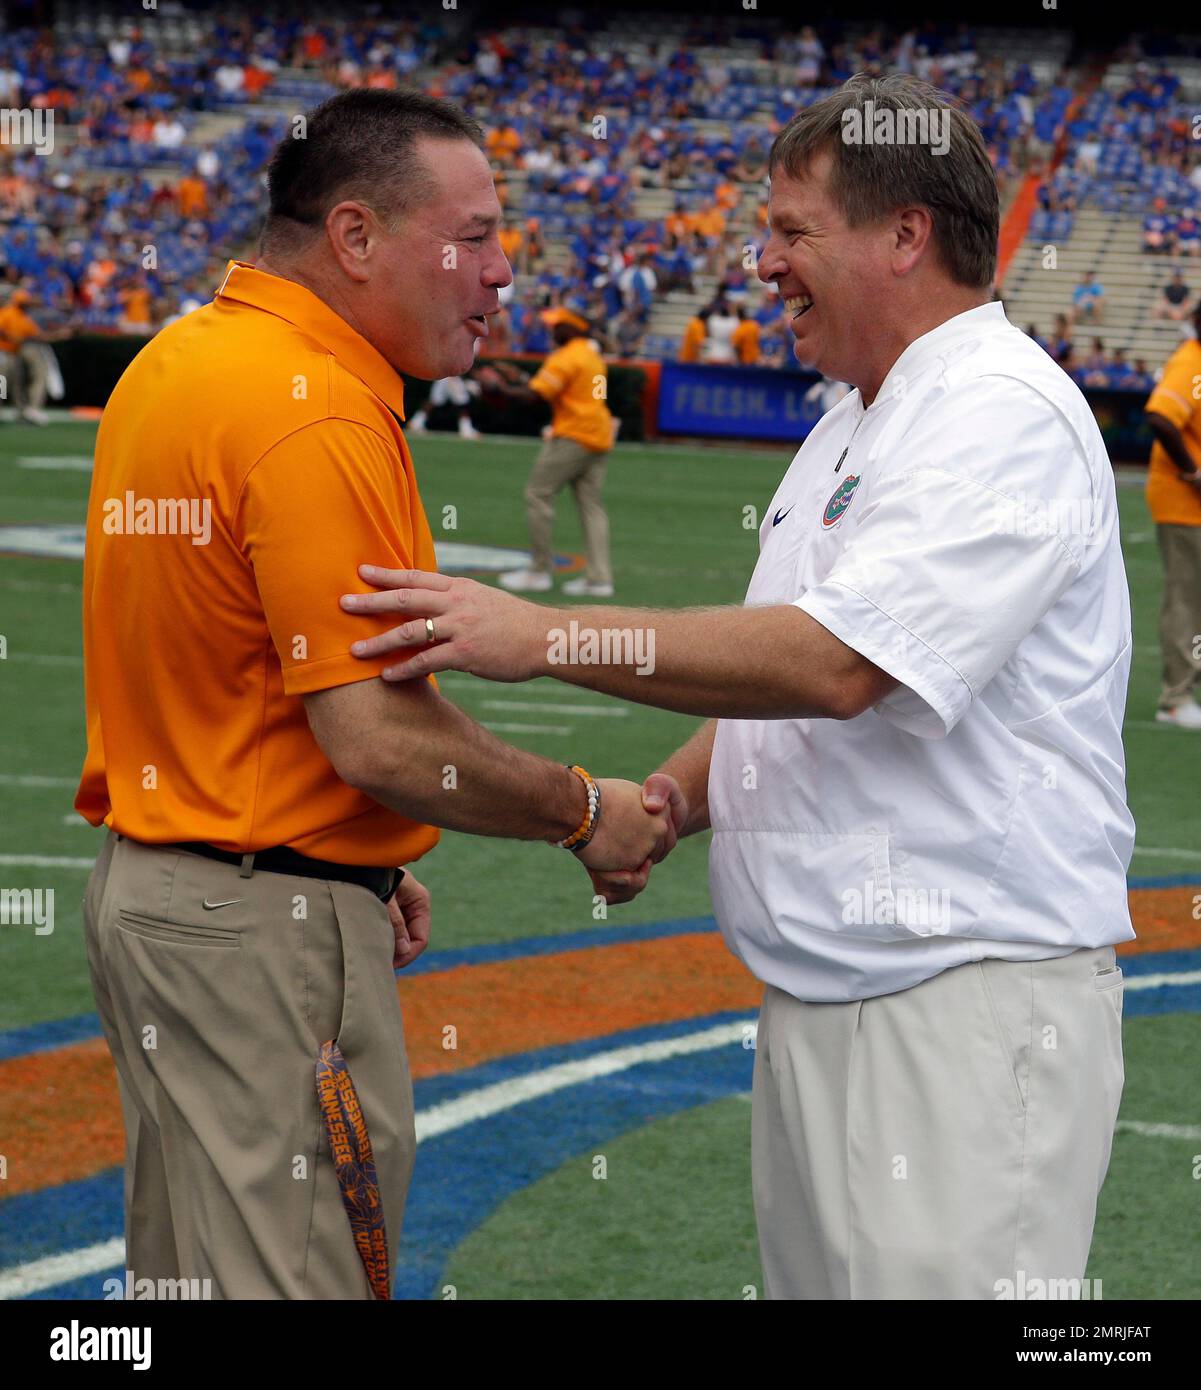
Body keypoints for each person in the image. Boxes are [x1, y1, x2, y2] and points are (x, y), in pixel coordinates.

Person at [343, 74, 1135, 1301]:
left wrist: (549, 637)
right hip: (840, 992)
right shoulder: (852, 420)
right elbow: (795, 667)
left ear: (905, 233)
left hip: (962, 1005)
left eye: (789, 230)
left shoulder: (1000, 412)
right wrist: (663, 801)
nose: (759, 262)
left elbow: (835, 667)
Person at [74, 89, 672, 1303]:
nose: (502, 273)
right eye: (476, 235)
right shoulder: (315, 406)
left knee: (177, 1287)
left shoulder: (180, 356)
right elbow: (377, 734)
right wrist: (579, 807)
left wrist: (361, 861)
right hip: (257, 933)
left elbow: (235, 671)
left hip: (166, 892)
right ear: (354, 237)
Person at [483, 308, 617, 597]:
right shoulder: (591, 355)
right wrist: (519, 376)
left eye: (555, 326)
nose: (550, 330)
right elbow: (563, 389)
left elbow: (534, 396)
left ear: (569, 330)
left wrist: (500, 388)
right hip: (599, 434)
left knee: (537, 493)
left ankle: (539, 571)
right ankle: (600, 579)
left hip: (573, 435)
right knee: (591, 506)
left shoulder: (566, 357)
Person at [1143, 302, 1201, 728]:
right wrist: (1191, 470)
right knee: (1187, 598)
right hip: (1184, 503)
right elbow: (1161, 417)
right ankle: (1175, 698)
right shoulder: (1192, 362)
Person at [0, 287, 54, 424]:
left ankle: (21, 412)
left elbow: (38, 335)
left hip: (13, 354)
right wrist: (12, 338)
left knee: (17, 383)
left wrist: (64, 333)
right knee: (2, 382)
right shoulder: (7, 313)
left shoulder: (23, 318)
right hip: (3, 352)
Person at [407, 374, 481, 438]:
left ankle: (415, 423)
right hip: (451, 376)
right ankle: (466, 430)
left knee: (433, 401)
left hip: (445, 376)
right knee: (461, 404)